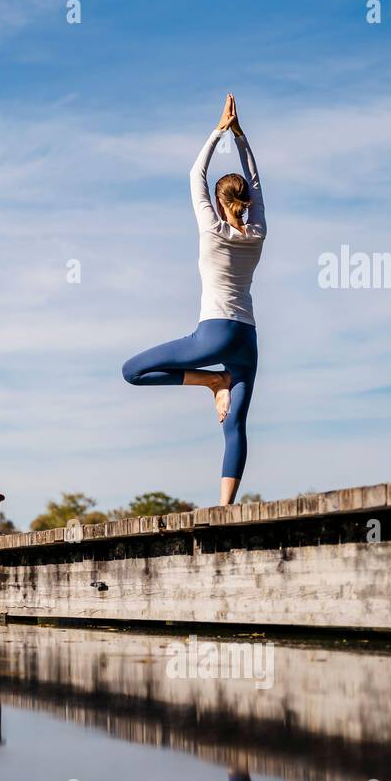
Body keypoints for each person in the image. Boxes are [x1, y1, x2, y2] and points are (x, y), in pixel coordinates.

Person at [121, 94, 266, 505]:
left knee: (132, 371)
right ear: (247, 203)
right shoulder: (258, 232)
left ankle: (210, 380)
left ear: (220, 203)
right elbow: (255, 181)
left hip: (214, 334)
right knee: (235, 424)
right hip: (248, 338)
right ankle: (225, 508)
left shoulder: (211, 228)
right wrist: (241, 138)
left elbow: (194, 174)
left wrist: (220, 130)